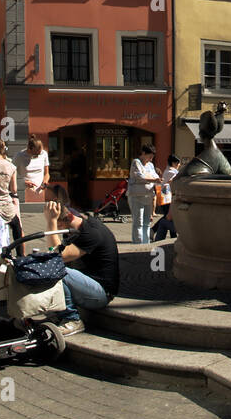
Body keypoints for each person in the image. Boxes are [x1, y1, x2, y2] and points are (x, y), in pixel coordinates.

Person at [44, 200, 120, 335]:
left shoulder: (91, 233)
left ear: (70, 217)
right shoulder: (76, 227)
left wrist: (51, 223)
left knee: (57, 270)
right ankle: (61, 312)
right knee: (52, 268)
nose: (57, 230)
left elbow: (58, 256)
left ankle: (73, 320)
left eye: (59, 226)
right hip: (88, 284)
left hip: (102, 293)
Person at [128, 145, 159, 244]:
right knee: (138, 222)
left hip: (148, 196)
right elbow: (139, 176)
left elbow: (155, 175)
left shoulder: (150, 165)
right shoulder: (136, 162)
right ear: (143, 153)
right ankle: (138, 243)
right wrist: (152, 179)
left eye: (152, 157)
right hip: (137, 196)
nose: (150, 159)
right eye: (149, 156)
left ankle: (146, 243)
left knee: (147, 222)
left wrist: (154, 179)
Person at [14, 133, 51, 203]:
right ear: (29, 149)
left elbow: (47, 173)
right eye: (35, 154)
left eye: (39, 154)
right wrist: (23, 182)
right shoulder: (19, 156)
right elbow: (11, 173)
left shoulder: (44, 154)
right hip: (24, 191)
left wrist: (45, 182)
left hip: (40, 192)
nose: (37, 156)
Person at [150, 155, 180, 242]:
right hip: (168, 197)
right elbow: (174, 181)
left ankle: (171, 235)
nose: (179, 165)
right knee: (169, 216)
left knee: (169, 216)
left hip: (166, 196)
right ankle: (153, 230)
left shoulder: (168, 171)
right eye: (178, 163)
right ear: (174, 163)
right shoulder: (172, 172)